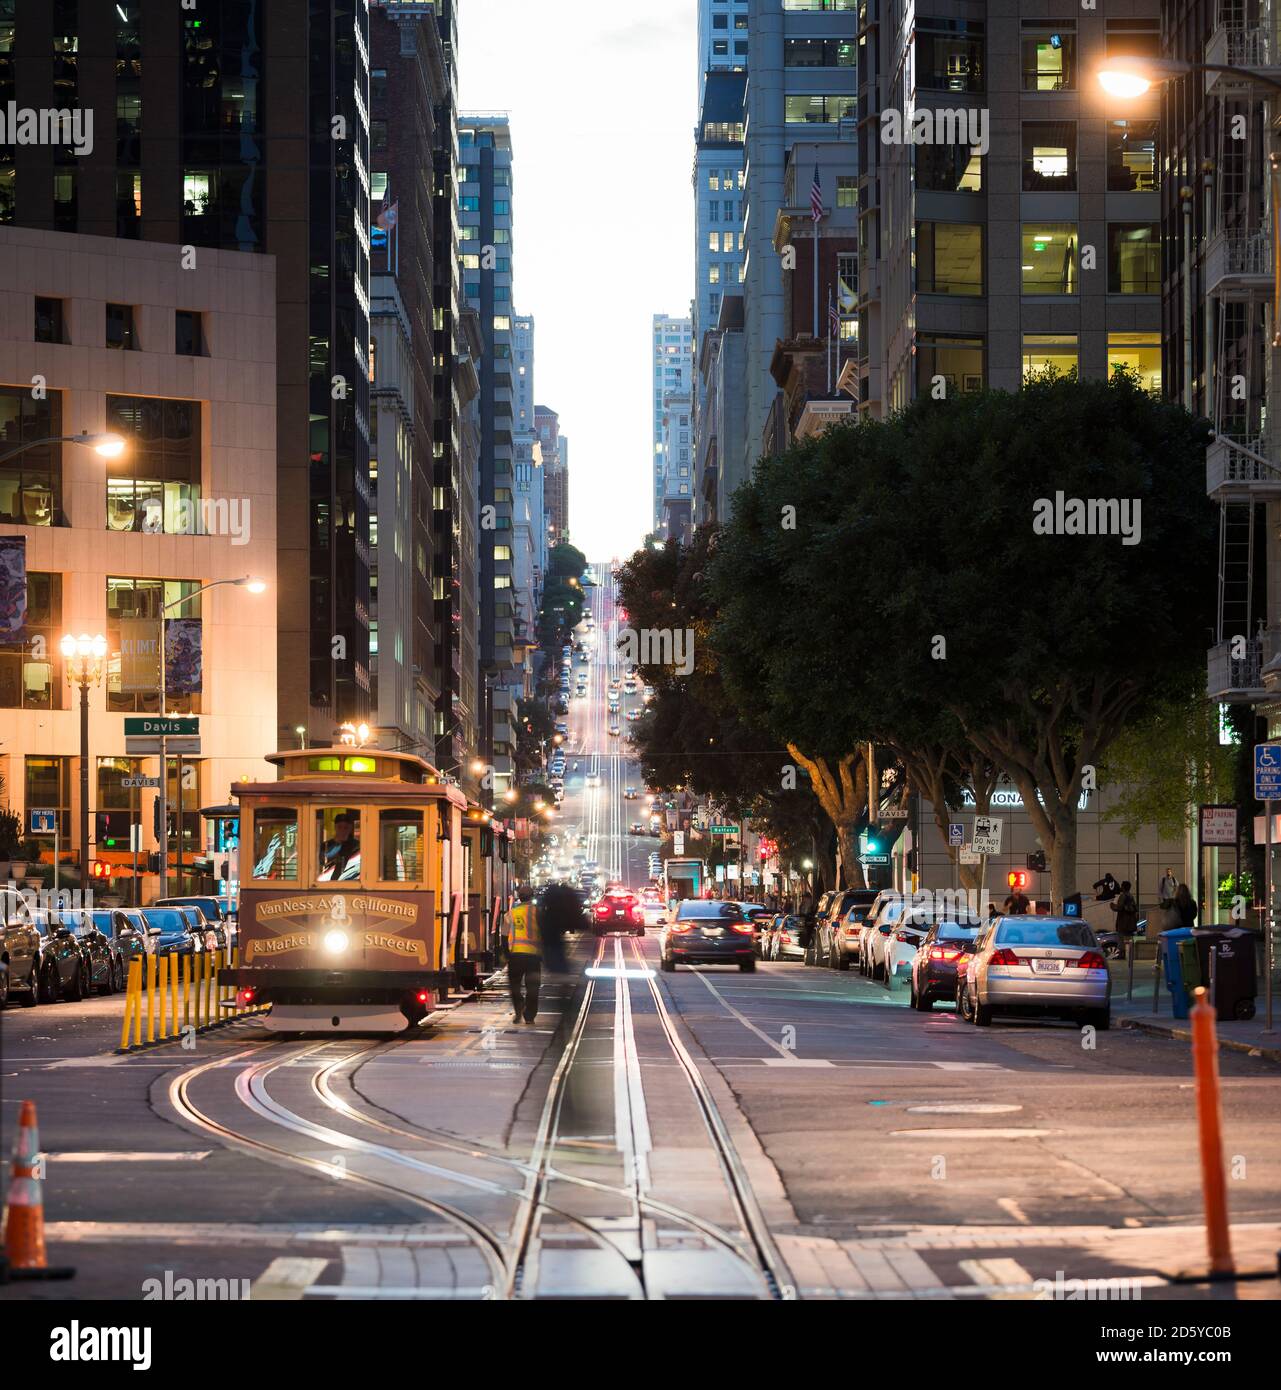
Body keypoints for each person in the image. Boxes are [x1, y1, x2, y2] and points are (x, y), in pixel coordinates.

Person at [505, 885, 542, 1024]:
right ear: (532, 896)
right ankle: (530, 1016)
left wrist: (506, 955)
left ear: (519, 897)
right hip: (534, 956)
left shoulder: (511, 913)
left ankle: (519, 1006)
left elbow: (503, 935)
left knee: (514, 985)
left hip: (515, 956)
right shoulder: (539, 913)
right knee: (533, 987)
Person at [318, 813, 360, 881]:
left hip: (351, 881)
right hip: (330, 880)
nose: (342, 830)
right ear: (335, 827)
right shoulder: (326, 845)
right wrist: (337, 844)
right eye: (339, 827)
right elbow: (322, 862)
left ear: (350, 828)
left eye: (346, 827)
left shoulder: (357, 846)